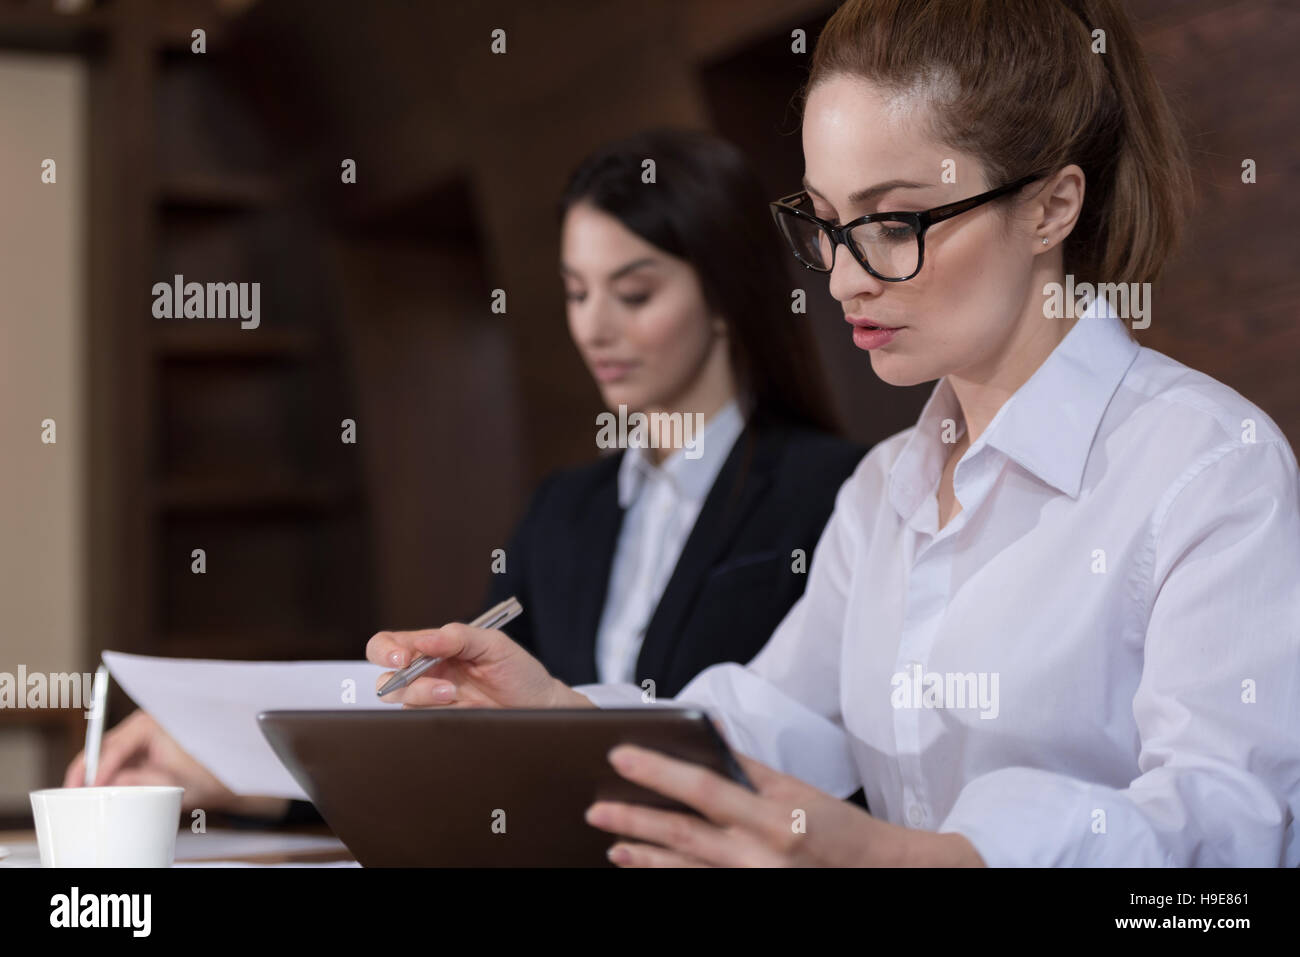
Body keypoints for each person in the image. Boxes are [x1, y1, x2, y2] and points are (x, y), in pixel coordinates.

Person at [365, 0, 1300, 867]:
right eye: (824, 224)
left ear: (1052, 206)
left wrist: (911, 860)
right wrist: (555, 713)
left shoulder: (1210, 466)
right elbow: (768, 725)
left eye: (891, 222)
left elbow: (1230, 835)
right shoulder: (884, 486)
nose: (844, 279)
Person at [64, 129, 869, 819]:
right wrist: (231, 765)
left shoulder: (838, 492)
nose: (594, 326)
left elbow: (806, 745)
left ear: (726, 294)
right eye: (576, 292)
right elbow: (462, 734)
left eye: (634, 291)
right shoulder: (563, 510)